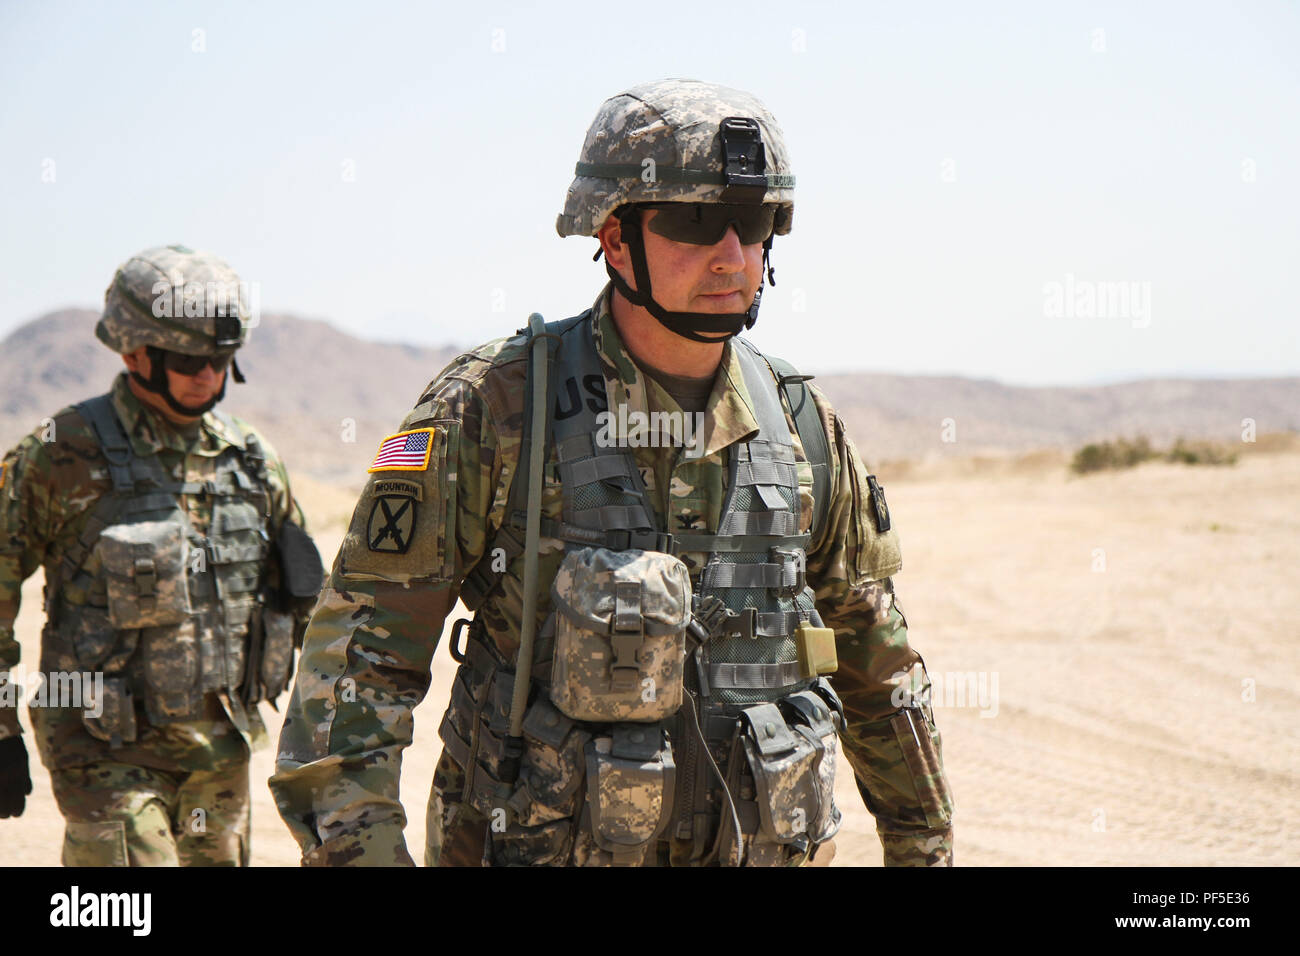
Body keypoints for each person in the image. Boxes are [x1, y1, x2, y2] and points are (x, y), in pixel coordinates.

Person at [271, 79, 954, 867]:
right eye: (695, 222)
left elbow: (880, 669)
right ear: (614, 235)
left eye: (753, 222)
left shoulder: (804, 427)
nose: (732, 256)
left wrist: (923, 849)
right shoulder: (492, 410)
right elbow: (356, 673)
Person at [0, 244, 322, 866]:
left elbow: (311, 598)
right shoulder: (60, 454)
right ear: (133, 353)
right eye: (189, 360)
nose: (209, 375)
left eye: (222, 360)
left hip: (219, 750)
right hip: (102, 749)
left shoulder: (251, 459)